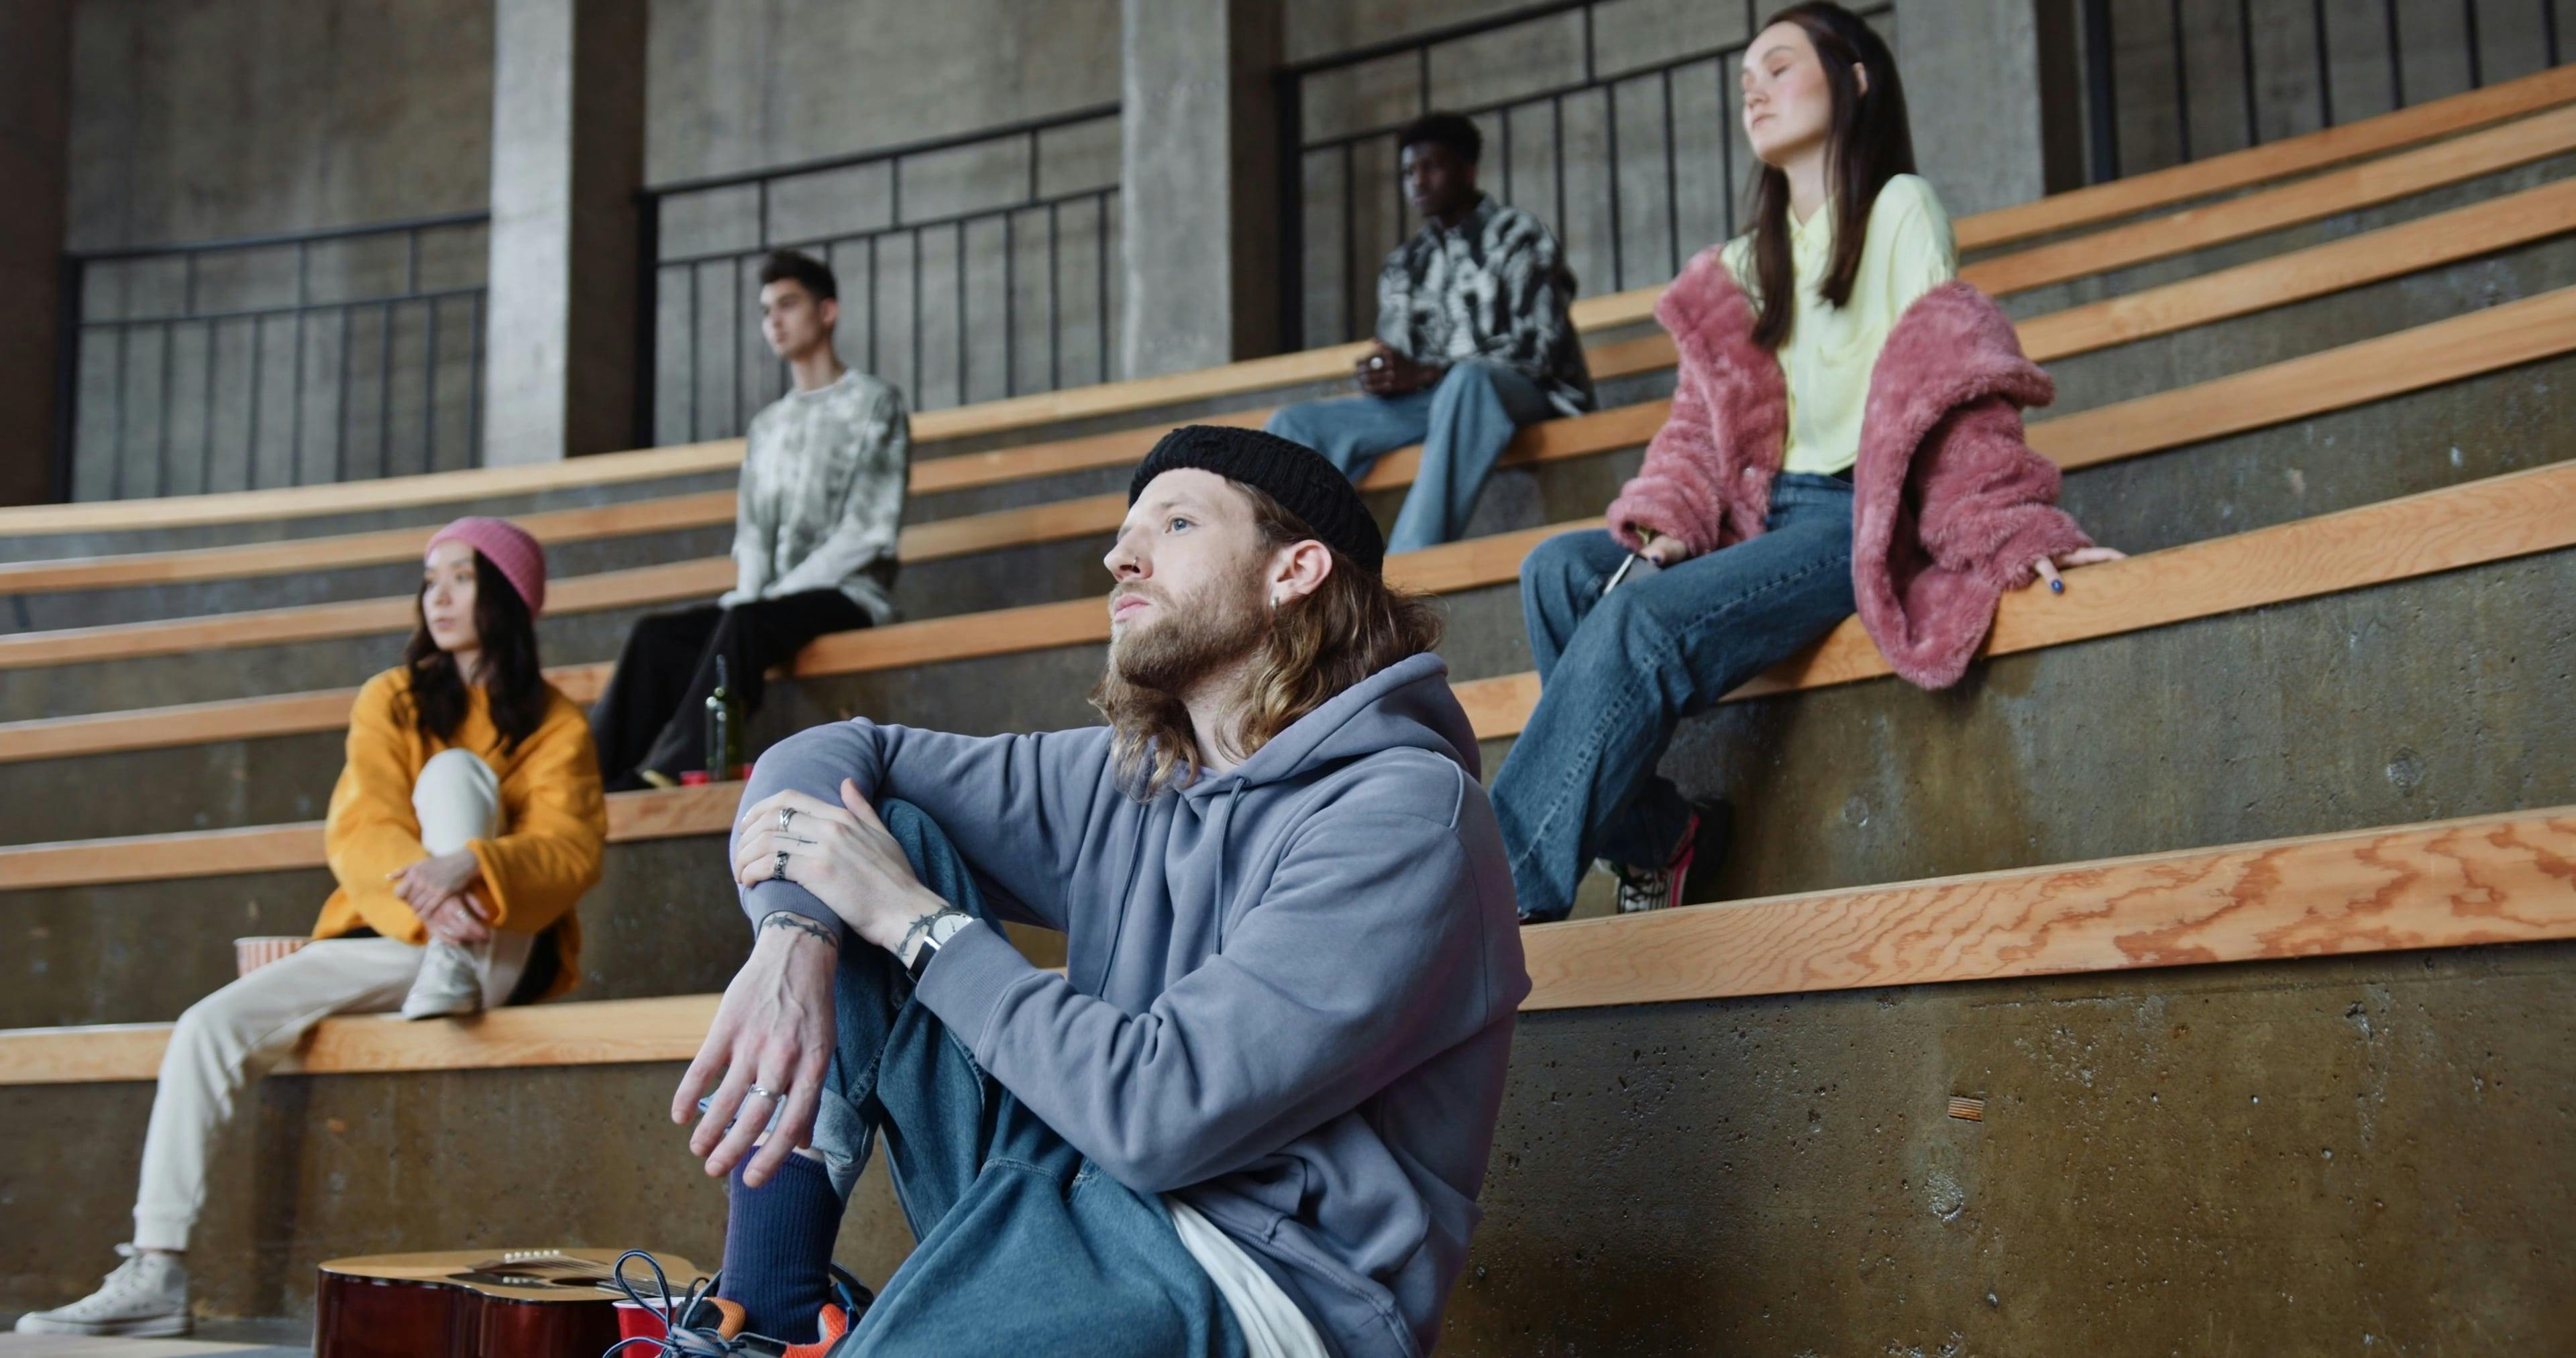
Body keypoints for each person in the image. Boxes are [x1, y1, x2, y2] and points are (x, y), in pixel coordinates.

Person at [643, 427, 1527, 1357]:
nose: (1120, 555)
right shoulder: (1137, 780)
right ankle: (762, 1312)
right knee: (871, 829)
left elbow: (1163, 1117)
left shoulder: (1406, 814)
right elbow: (823, 756)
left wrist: (917, 924)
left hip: (1247, 1276)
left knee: (881, 879)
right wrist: (793, 936)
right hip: (1062, 1187)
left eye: (1176, 522)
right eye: (1124, 530)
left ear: (1295, 570)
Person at [1490, 1, 2123, 924]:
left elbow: (1951, 386)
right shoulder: (1741, 265)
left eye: (1778, 67)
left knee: (1638, 628)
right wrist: (1670, 525)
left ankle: (1490, 904)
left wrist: (2012, 533)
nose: (1755, 90)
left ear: (1855, 78)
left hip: (1848, 518)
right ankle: (1662, 838)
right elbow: (1697, 433)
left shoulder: (1901, 210)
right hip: (1754, 522)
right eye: (1746, 80)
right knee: (1558, 573)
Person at [16, 517, 607, 1339]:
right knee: (206, 1025)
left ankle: (454, 957)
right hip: (409, 944)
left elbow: (571, 850)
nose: (437, 595)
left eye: (461, 578)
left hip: (497, 948)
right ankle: (157, 1269)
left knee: (454, 773)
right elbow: (360, 831)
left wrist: (469, 867)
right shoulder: (391, 698)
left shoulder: (556, 721)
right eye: (429, 578)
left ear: (506, 596)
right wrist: (432, 904)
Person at [592, 249, 911, 791]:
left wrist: (766, 600)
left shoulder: (875, 403)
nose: (774, 322)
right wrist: (751, 595)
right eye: (766, 311)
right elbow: (754, 533)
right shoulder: (768, 425)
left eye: (788, 305)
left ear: (827, 311)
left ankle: (676, 768)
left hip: (847, 596)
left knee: (745, 623)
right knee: (655, 636)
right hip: (767, 607)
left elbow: (867, 531)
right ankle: (586, 777)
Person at [1265, 111, 1594, 555]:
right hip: (1435, 403)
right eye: (1407, 172)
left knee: (1468, 382)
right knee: (1292, 424)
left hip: (1530, 394)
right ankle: (1310, 569)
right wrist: (1385, 372)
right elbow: (1401, 354)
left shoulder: (1519, 235)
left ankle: (1407, 564)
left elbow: (1540, 348)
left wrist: (1427, 374)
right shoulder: (1406, 262)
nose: (1417, 181)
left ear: (1467, 169)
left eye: (1431, 167)